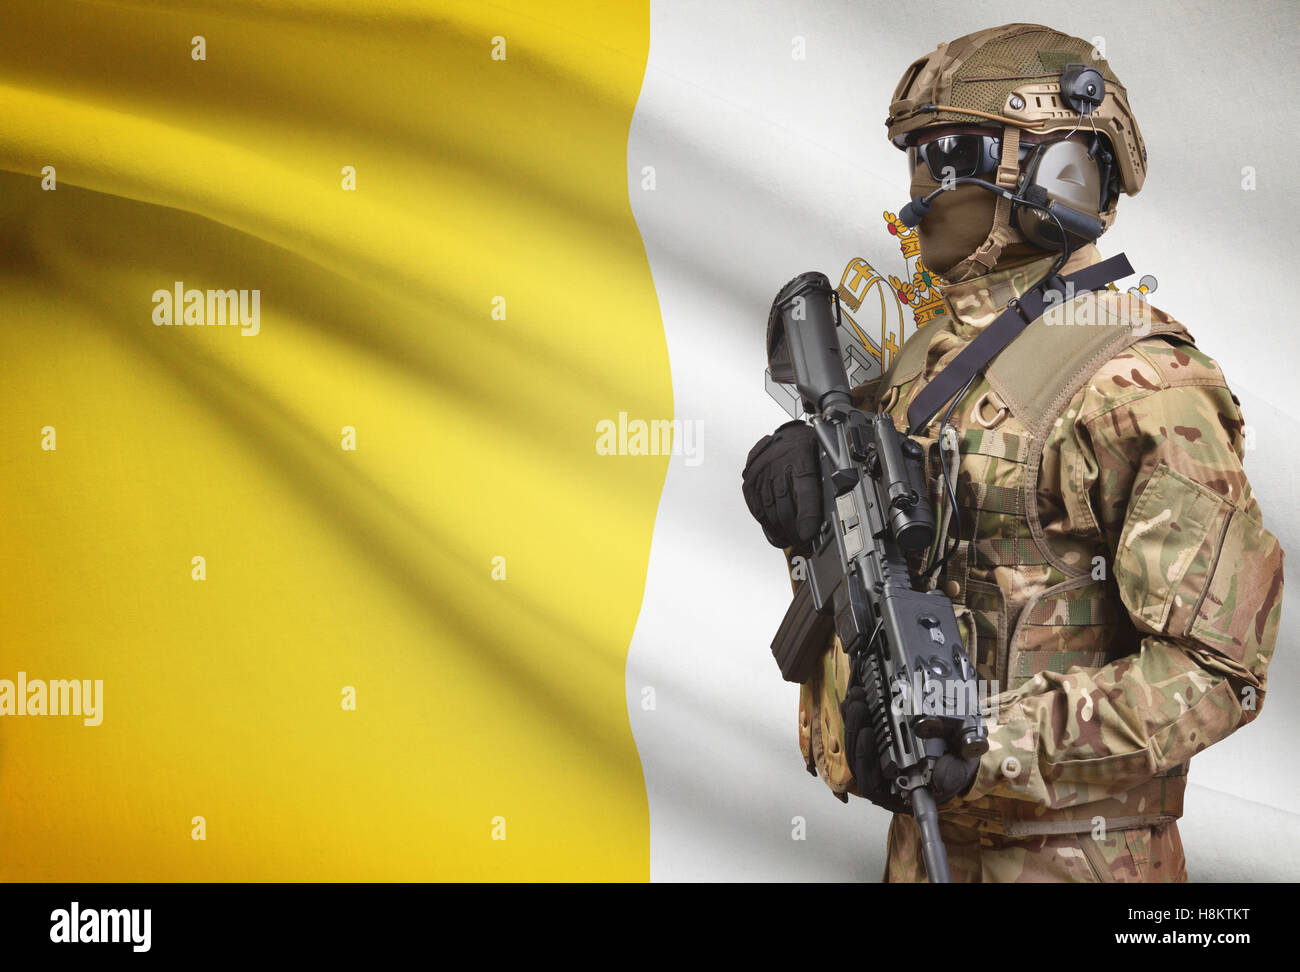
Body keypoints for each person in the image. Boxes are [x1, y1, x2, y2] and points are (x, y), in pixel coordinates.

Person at [741, 22, 1285, 882]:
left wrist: (986, 741)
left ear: (1053, 170)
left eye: (946, 152)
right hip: (924, 850)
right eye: (916, 155)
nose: (919, 187)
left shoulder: (1142, 382)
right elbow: (914, 576)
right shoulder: (934, 356)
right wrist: (806, 507)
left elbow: (1215, 670)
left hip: (1081, 864)